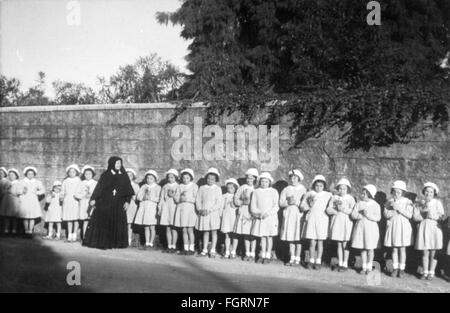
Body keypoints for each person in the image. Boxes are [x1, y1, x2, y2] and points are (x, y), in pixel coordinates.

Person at [83, 156, 135, 249]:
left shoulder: (123, 175)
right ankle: (103, 243)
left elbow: (128, 190)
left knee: (117, 223)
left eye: (120, 163)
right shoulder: (106, 175)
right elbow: (99, 188)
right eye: (117, 163)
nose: (118, 165)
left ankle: (117, 243)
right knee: (105, 223)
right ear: (112, 164)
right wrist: (93, 199)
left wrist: (127, 202)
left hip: (119, 204)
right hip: (106, 203)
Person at [414, 182, 445, 280]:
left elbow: (441, 216)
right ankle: (425, 271)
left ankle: (431, 272)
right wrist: (422, 214)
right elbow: (415, 217)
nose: (429, 194)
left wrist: (433, 215)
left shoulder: (437, 203)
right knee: (425, 251)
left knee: (433, 252)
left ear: (434, 193)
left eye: (431, 192)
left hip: (435, 228)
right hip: (424, 227)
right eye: (427, 191)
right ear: (424, 192)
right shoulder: (420, 203)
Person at [301, 175, 332, 270]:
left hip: (322, 220)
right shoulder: (309, 194)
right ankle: (311, 260)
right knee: (312, 242)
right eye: (317, 185)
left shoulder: (328, 195)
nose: (318, 188)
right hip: (311, 219)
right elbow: (302, 206)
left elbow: (332, 206)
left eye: (321, 186)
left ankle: (318, 261)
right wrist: (309, 205)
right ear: (314, 185)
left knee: (320, 241)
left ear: (324, 186)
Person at [384, 180, 414, 278]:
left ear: (403, 193)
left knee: (402, 249)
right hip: (393, 226)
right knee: (394, 249)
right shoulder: (389, 201)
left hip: (403, 227)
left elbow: (409, 215)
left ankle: (402, 269)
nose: (396, 194)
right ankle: (395, 268)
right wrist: (392, 210)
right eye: (394, 192)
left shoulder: (408, 202)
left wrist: (398, 208)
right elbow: (386, 214)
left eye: (399, 192)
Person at [326, 178, 356, 272]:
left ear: (347, 189)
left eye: (344, 189)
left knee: (345, 243)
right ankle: (341, 262)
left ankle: (345, 263)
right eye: (340, 188)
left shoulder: (350, 198)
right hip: (337, 222)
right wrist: (335, 210)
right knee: (339, 243)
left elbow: (353, 210)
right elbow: (328, 209)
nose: (341, 191)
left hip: (346, 222)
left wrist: (343, 209)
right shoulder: (334, 197)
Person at [351, 184, 381, 275]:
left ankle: (369, 266)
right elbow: (353, 214)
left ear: (370, 195)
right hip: (361, 228)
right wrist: (360, 215)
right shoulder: (359, 204)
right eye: (362, 193)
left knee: (370, 248)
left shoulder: (375, 205)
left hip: (371, 229)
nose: (362, 195)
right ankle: (364, 266)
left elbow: (378, 217)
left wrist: (368, 215)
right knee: (363, 248)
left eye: (364, 194)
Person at [250, 172, 279, 264]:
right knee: (262, 236)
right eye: (262, 181)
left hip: (270, 218)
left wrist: (268, 213)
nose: (264, 183)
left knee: (269, 237)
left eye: (266, 181)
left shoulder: (274, 191)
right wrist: (258, 213)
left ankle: (268, 255)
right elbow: (253, 206)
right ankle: (262, 254)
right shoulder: (256, 192)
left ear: (269, 182)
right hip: (260, 217)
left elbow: (276, 206)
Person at [279, 169, 307, 266]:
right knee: (291, 237)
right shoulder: (286, 189)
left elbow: (305, 204)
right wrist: (287, 203)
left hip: (298, 215)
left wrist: (297, 203)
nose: (293, 179)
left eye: (295, 177)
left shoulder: (303, 190)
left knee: (298, 238)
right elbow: (281, 202)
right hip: (289, 215)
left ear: (299, 178)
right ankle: (292, 257)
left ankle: (297, 258)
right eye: (291, 177)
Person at [195, 168, 222, 258]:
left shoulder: (217, 189)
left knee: (214, 232)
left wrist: (210, 210)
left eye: (212, 179)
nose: (210, 180)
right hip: (203, 213)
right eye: (208, 178)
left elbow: (218, 202)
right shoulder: (202, 188)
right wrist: (200, 209)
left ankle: (213, 249)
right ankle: (204, 249)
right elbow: (198, 200)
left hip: (213, 213)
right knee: (205, 231)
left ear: (216, 180)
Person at [234, 168, 259, 261]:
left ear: (255, 179)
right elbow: (236, 198)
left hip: (253, 212)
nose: (249, 180)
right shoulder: (242, 187)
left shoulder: (257, 189)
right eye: (248, 178)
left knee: (252, 234)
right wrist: (241, 202)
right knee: (246, 233)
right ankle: (247, 253)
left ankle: (253, 253)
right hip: (244, 211)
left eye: (251, 178)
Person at [173, 168, 198, 255]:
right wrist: (180, 199)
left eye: (187, 178)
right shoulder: (179, 186)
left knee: (190, 229)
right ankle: (185, 248)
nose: (185, 180)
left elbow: (196, 199)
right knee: (184, 230)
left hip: (190, 210)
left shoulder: (194, 186)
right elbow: (176, 198)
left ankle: (191, 248)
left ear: (191, 178)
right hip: (182, 209)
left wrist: (187, 199)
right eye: (183, 178)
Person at [135, 170, 161, 249]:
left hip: (152, 208)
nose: (149, 180)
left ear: (155, 179)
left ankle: (151, 243)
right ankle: (146, 242)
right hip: (144, 207)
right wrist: (143, 197)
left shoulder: (158, 187)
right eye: (148, 178)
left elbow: (159, 198)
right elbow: (138, 197)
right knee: (146, 226)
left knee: (152, 226)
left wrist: (151, 198)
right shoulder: (143, 186)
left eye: (151, 178)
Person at [18, 166, 45, 238]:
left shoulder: (37, 182)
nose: (30, 175)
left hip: (33, 200)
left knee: (32, 217)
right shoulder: (22, 182)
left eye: (32, 174)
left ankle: (30, 231)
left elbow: (42, 190)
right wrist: (22, 191)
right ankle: (26, 231)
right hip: (24, 200)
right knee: (25, 217)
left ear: (34, 174)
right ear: (26, 174)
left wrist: (37, 192)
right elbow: (17, 190)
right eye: (29, 174)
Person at [158, 169, 180, 253]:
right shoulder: (165, 186)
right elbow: (162, 198)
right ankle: (169, 246)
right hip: (166, 208)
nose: (170, 179)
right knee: (167, 228)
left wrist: (173, 195)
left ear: (176, 178)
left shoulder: (178, 186)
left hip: (174, 208)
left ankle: (174, 246)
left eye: (172, 177)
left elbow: (178, 199)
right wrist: (160, 208)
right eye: (169, 177)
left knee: (173, 228)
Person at [75, 165, 97, 239]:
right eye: (86, 174)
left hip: (92, 203)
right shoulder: (81, 183)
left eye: (89, 174)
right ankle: (85, 237)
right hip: (84, 203)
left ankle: (92, 237)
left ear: (92, 174)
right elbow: (76, 194)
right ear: (84, 175)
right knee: (85, 221)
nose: (88, 175)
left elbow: (98, 193)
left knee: (92, 221)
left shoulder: (95, 183)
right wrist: (83, 196)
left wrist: (93, 197)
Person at [61, 164, 82, 242]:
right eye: (70, 172)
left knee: (75, 219)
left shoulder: (79, 180)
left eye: (73, 172)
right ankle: (69, 235)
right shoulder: (65, 181)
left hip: (76, 200)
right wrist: (61, 197)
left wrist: (79, 197)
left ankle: (74, 235)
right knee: (69, 218)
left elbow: (81, 190)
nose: (71, 173)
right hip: (68, 201)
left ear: (76, 172)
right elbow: (62, 191)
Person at [220, 178, 239, 259]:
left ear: (235, 188)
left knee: (235, 235)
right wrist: (220, 216)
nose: (229, 189)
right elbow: (221, 207)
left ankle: (233, 251)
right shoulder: (224, 196)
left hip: (234, 217)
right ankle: (227, 251)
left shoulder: (237, 196)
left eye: (231, 188)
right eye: (228, 188)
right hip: (226, 217)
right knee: (227, 235)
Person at [0, 169, 21, 235]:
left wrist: (11, 191)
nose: (11, 176)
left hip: (14, 201)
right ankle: (6, 230)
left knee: (14, 217)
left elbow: (19, 192)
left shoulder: (18, 183)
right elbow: (2, 191)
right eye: (10, 175)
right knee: (7, 216)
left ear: (16, 176)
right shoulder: (6, 182)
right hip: (6, 200)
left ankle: (14, 230)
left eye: (13, 175)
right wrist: (5, 190)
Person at [125, 168, 140, 246]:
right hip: (123, 205)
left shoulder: (135, 185)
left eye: (130, 176)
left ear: (133, 177)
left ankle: (129, 240)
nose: (128, 177)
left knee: (129, 223)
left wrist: (132, 195)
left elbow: (137, 197)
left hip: (131, 206)